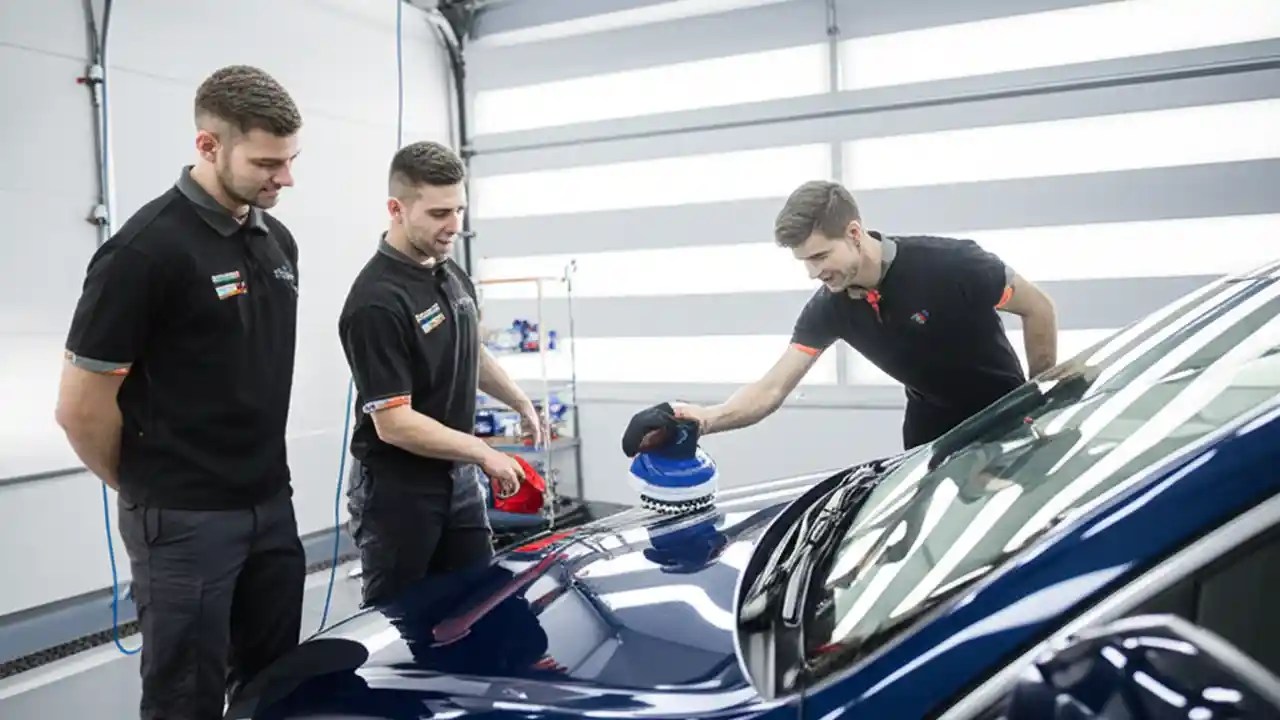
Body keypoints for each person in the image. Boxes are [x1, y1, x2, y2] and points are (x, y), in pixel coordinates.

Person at [54, 65, 305, 718]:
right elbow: (80, 409)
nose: (285, 179)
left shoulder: (277, 241)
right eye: (267, 163)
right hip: (185, 521)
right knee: (185, 700)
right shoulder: (144, 253)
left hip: (271, 507)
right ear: (208, 146)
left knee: (276, 687)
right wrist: (153, 485)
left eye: (291, 161)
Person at [628, 179, 1058, 453]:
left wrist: (1044, 397)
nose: (814, 272)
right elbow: (772, 388)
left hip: (1006, 423)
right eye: (804, 261)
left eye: (820, 256)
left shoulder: (955, 265)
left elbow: (1038, 308)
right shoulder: (830, 307)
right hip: (931, 437)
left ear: (854, 233)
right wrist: (702, 419)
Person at [337, 140, 541, 607]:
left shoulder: (450, 272)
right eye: (438, 213)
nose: (454, 226)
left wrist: (519, 401)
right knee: (402, 623)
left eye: (460, 210)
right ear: (397, 208)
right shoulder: (376, 301)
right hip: (398, 492)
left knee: (479, 605)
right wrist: (482, 452)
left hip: (457, 480)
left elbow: (470, 352)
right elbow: (394, 423)